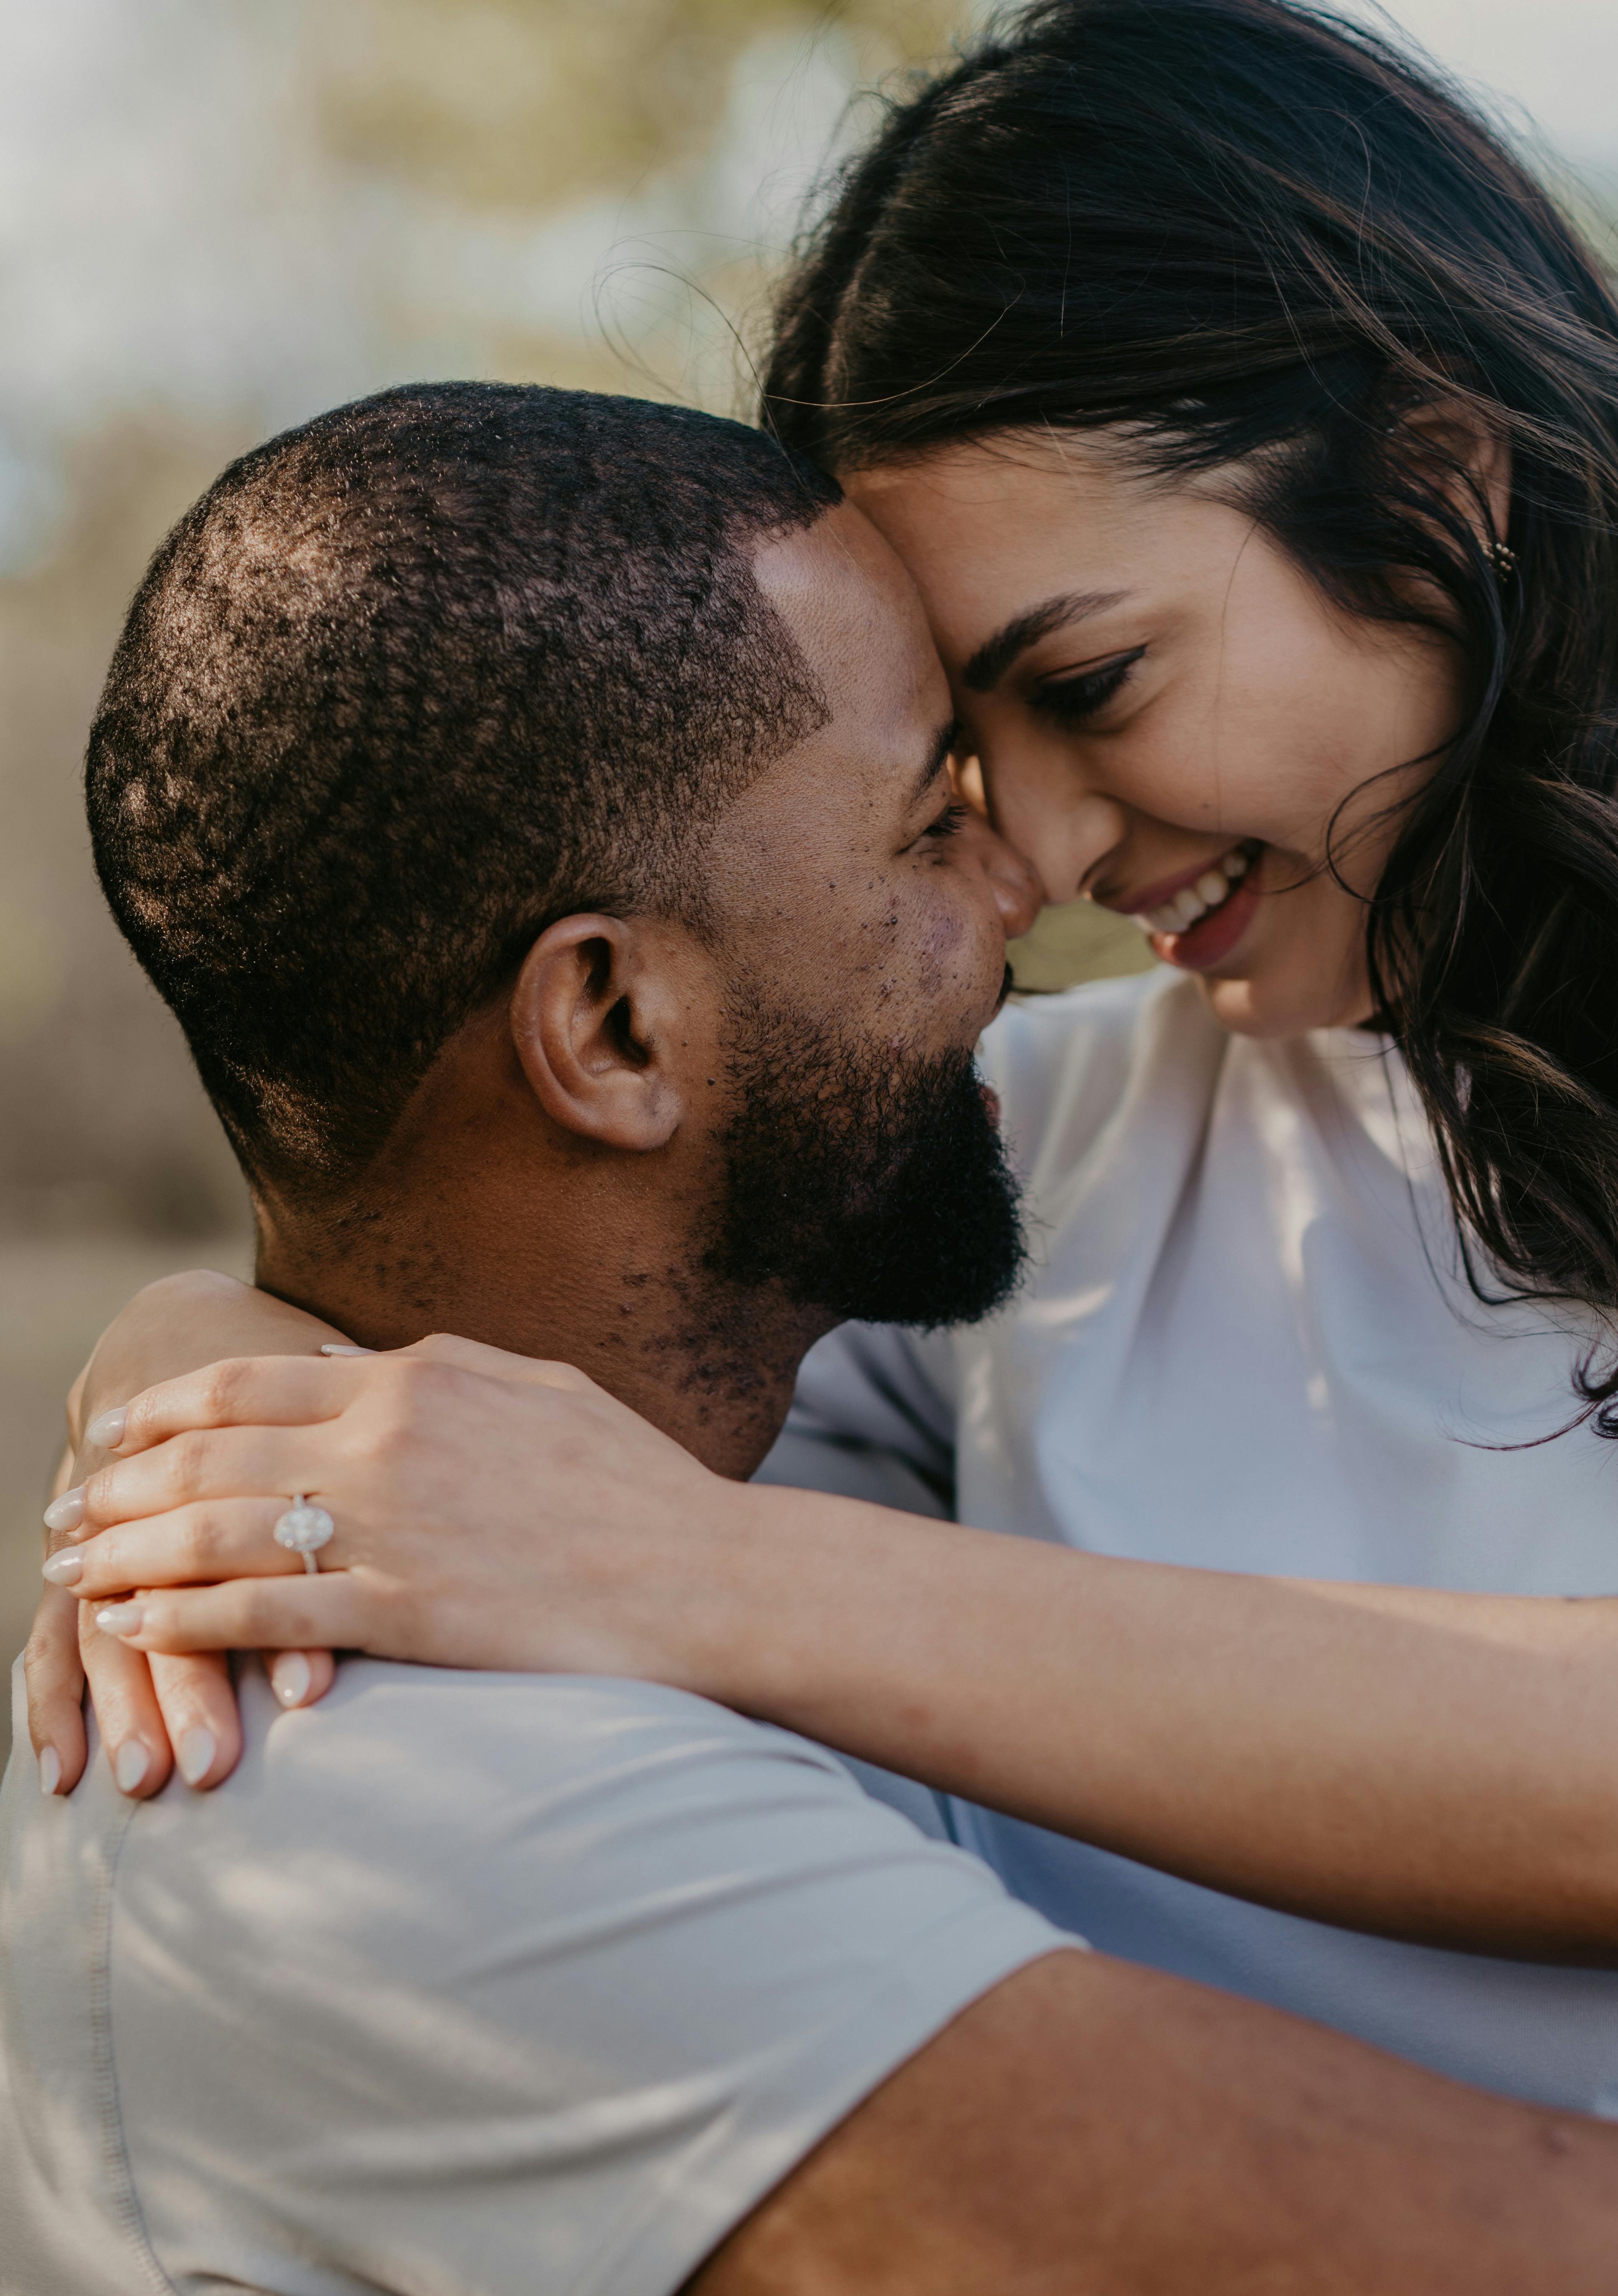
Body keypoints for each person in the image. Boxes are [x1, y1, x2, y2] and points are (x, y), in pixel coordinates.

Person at [25, 0, 1618, 2112]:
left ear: (1441, 483)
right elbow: (518, 1343)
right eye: (969, 742)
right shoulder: (1057, 1152)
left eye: (1098, 677)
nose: (1040, 852)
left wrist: (698, 1574)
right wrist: (188, 1382)